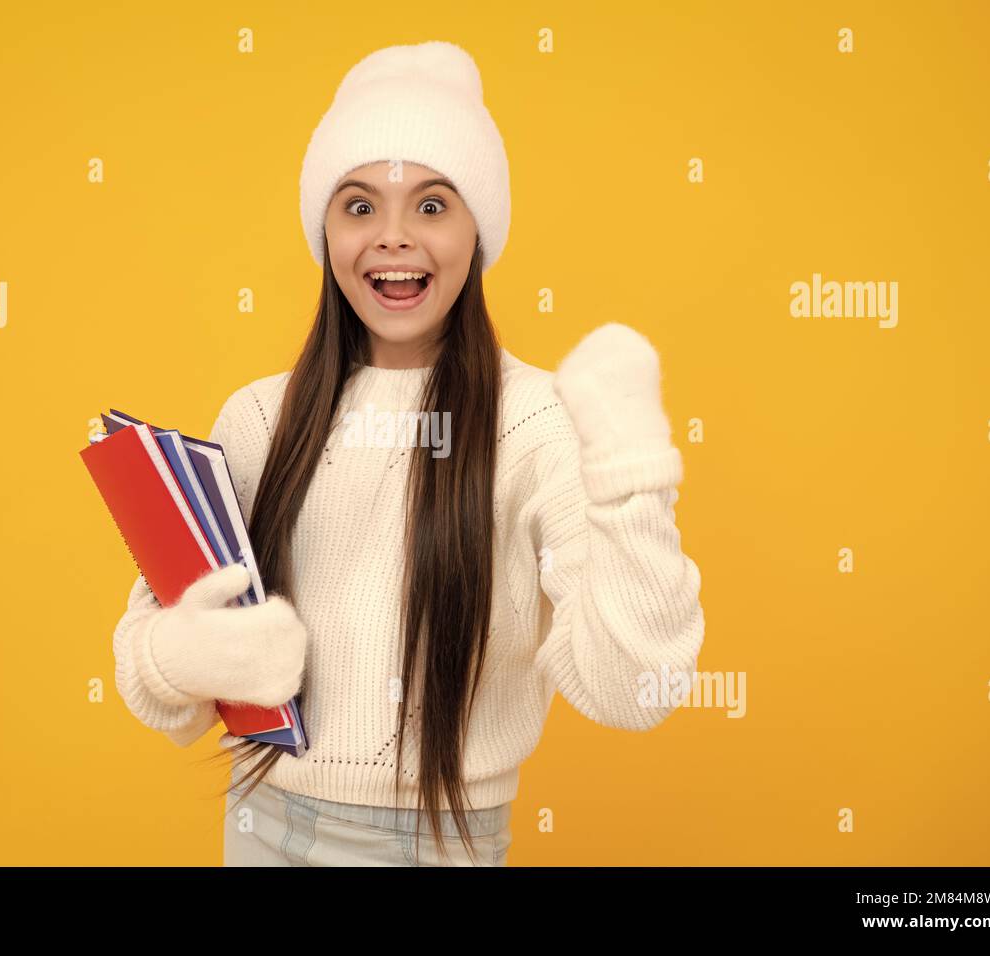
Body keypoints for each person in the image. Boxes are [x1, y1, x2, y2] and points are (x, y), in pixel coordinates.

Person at [110, 40, 705, 866]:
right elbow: (155, 686)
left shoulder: (536, 423)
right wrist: (175, 655)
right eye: (359, 206)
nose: (393, 238)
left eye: (431, 206)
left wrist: (633, 477)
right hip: (260, 831)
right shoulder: (257, 417)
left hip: (441, 846)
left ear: (478, 231)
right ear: (325, 231)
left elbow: (635, 692)